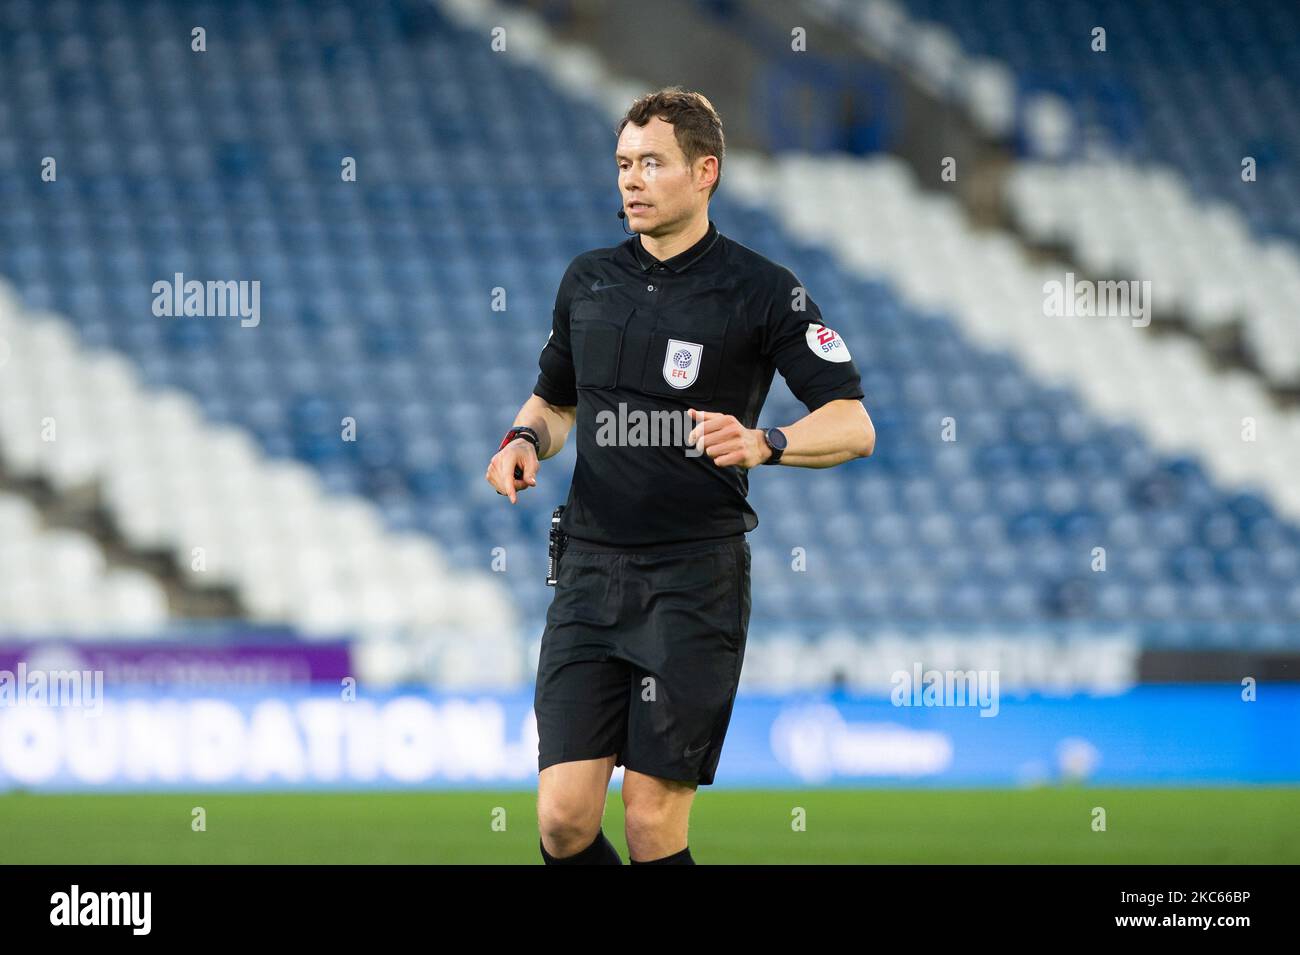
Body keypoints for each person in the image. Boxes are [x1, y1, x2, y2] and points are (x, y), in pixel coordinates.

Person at [485, 87, 875, 864]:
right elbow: (556, 400)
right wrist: (525, 436)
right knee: (562, 820)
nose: (631, 180)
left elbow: (853, 423)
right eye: (624, 164)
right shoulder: (587, 280)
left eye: (651, 163)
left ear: (705, 172)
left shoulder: (765, 291)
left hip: (693, 582)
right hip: (590, 573)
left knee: (652, 825)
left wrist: (768, 442)